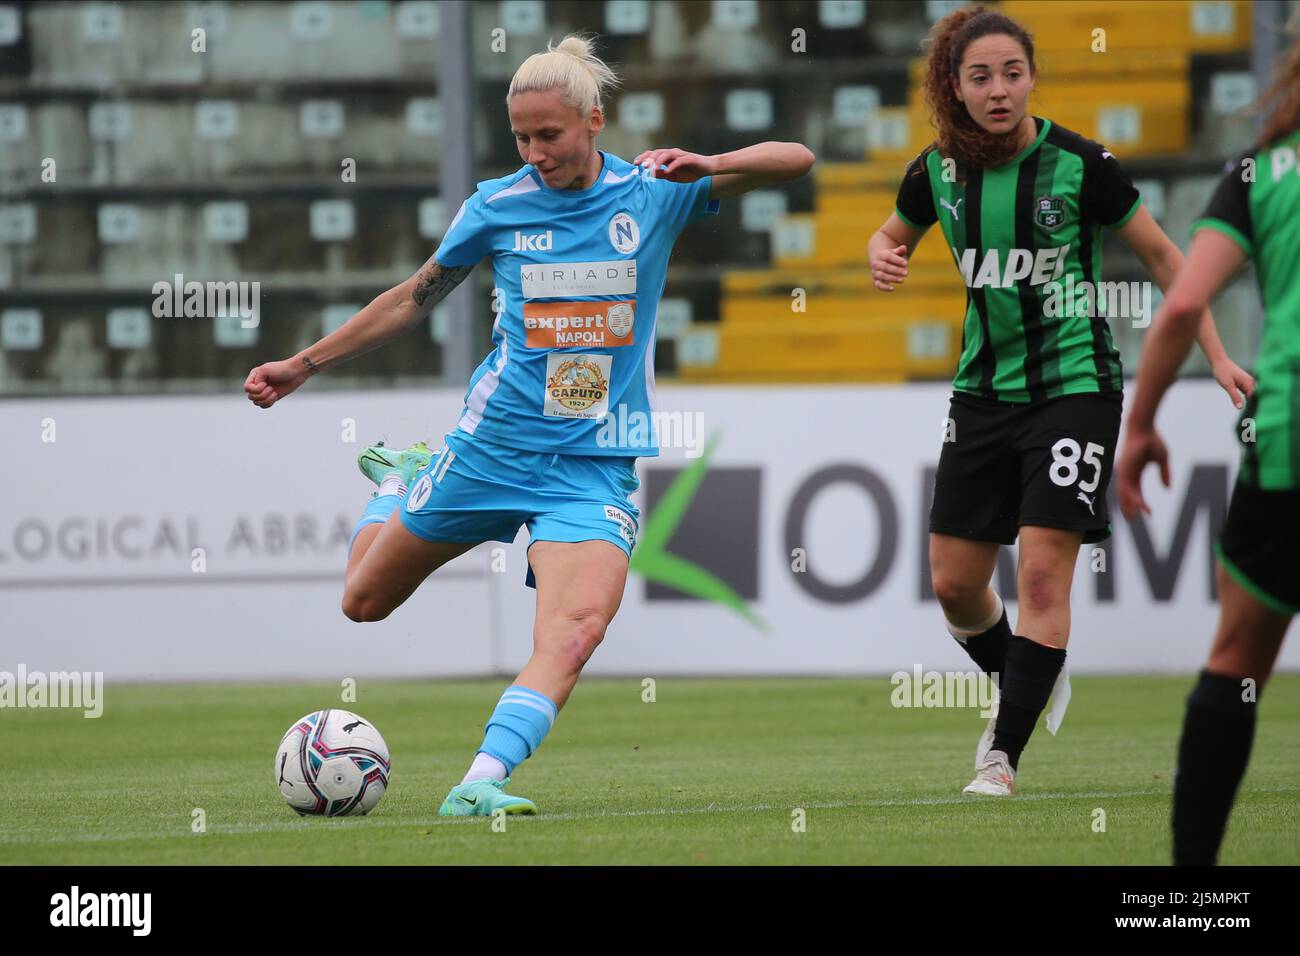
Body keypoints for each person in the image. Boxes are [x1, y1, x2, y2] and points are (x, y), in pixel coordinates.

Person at [244, 35, 815, 816]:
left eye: (550, 134)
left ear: (594, 121)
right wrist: (303, 366)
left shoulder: (653, 192)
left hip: (592, 464)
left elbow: (798, 158)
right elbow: (413, 299)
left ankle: (480, 782)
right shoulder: (496, 206)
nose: (537, 152)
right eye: (523, 136)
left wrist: (708, 163)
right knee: (364, 601)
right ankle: (404, 478)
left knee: (576, 633)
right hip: (491, 450)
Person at [866, 6, 1253, 795]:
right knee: (953, 581)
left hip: (1075, 387)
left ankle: (1000, 758)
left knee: (1042, 580)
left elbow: (1164, 256)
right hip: (981, 392)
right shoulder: (934, 170)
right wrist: (883, 254)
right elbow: (890, 236)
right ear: (954, 86)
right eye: (980, 76)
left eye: (1012, 72)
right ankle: (1028, 676)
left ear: (1032, 77)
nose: (999, 89)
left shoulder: (1082, 164)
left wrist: (1215, 355)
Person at [1116, 30, 1300, 865]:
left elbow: (1185, 304)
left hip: (1290, 442)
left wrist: (1143, 419)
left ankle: (1190, 892)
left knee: (1237, 659)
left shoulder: (1264, 172)